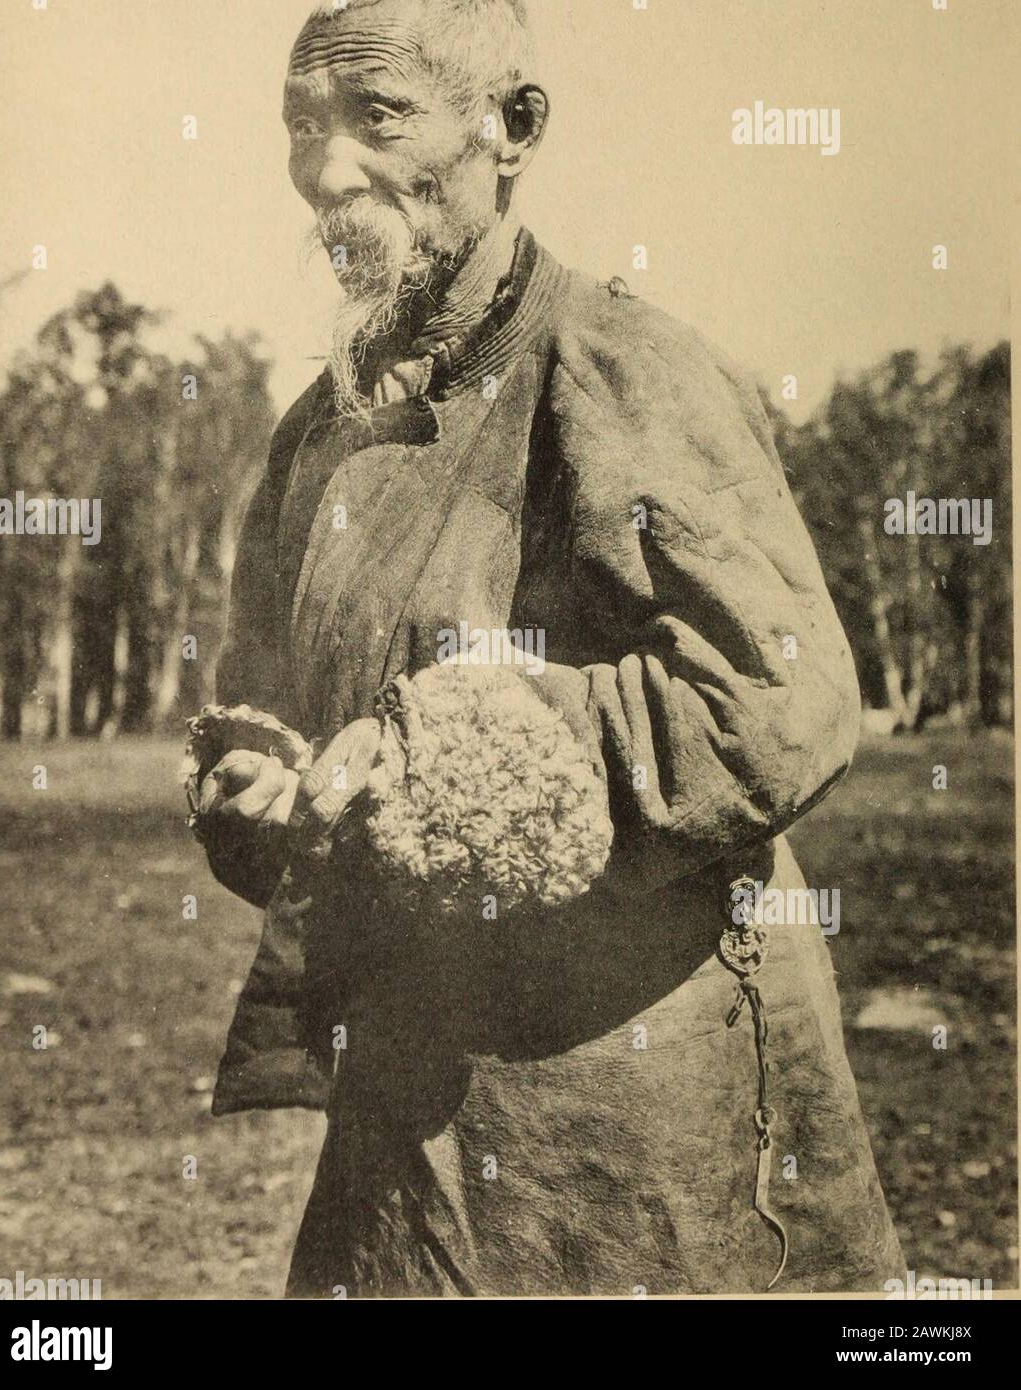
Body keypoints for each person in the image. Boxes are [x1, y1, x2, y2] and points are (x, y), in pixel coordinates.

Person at [192, 0, 904, 1296]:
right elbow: (272, 703)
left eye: (374, 116)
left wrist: (457, 753)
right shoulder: (319, 435)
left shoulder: (625, 370)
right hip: (408, 1126)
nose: (326, 167)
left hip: (637, 1125)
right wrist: (265, 786)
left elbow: (781, 697)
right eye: (304, 124)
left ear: (512, 127)